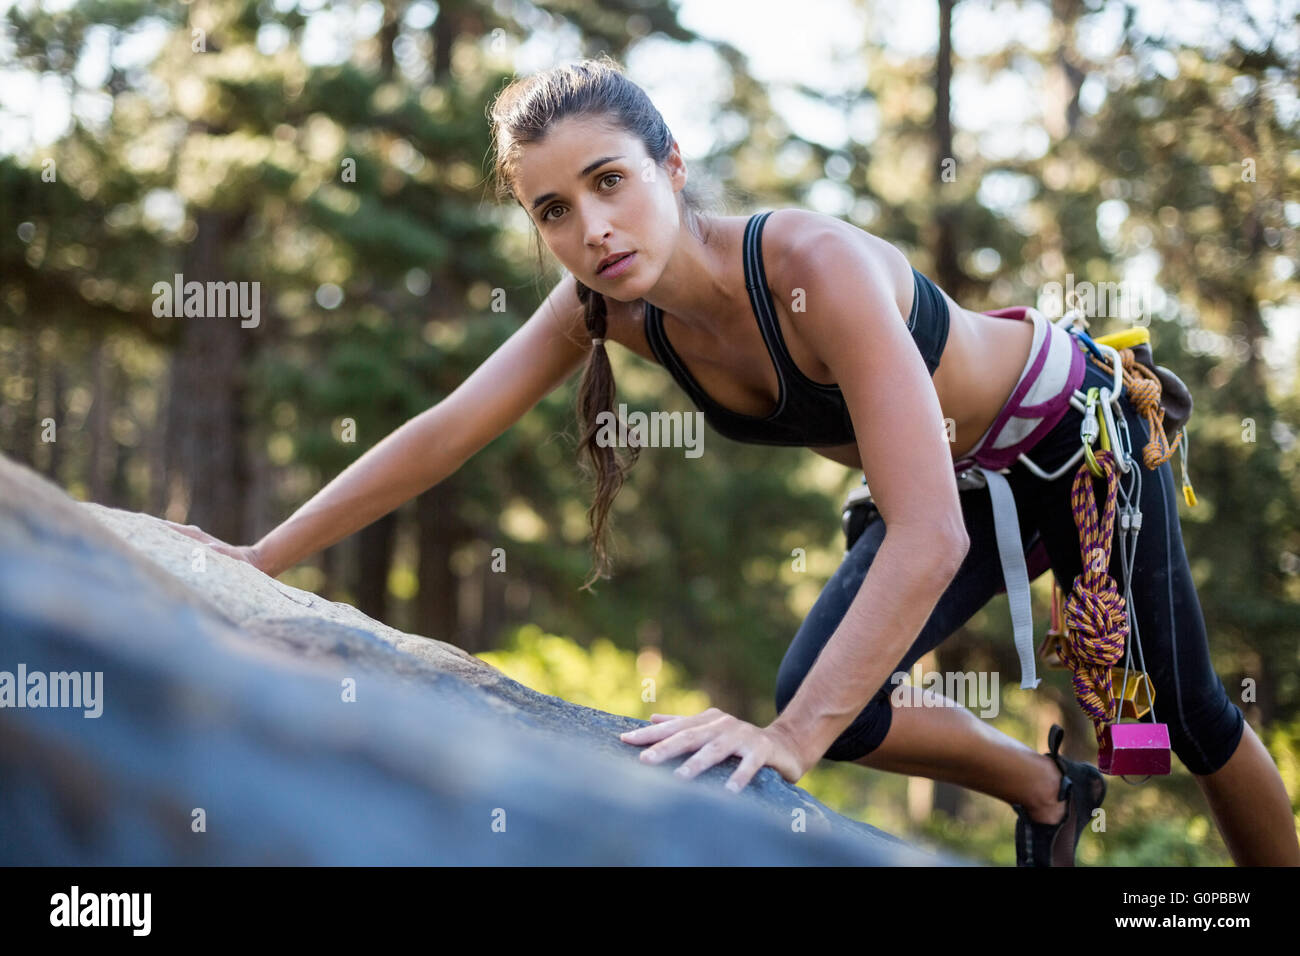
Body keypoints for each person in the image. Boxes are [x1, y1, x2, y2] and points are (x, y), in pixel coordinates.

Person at [167, 56, 1298, 867]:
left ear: (669, 163)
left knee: (1186, 716)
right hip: (954, 478)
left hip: (1074, 436)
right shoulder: (601, 310)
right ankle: (1049, 788)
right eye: (552, 210)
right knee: (837, 700)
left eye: (610, 181)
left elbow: (928, 537)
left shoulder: (812, 263)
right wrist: (259, 555)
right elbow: (449, 425)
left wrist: (783, 741)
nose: (591, 227)